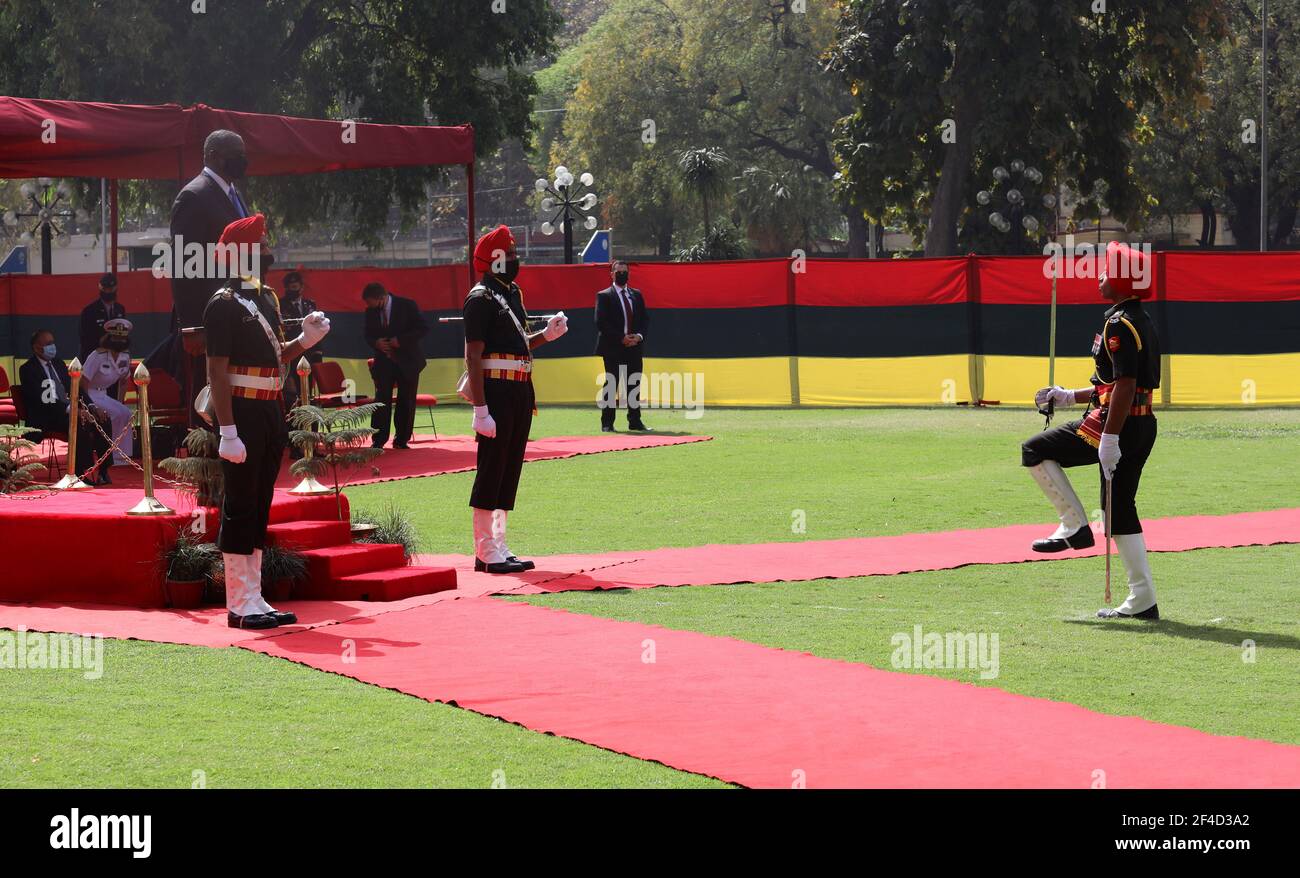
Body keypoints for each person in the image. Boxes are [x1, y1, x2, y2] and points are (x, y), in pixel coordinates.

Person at [1021, 241, 1161, 620]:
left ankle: (1074, 526)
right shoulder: (1135, 317)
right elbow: (1112, 383)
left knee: (1034, 450)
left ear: (1121, 279)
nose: (1099, 276)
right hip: (1135, 421)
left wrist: (1111, 439)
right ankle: (1142, 599)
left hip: (1121, 423)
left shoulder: (1119, 323)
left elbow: (1127, 385)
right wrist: (1067, 396)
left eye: (1106, 270)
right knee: (1118, 510)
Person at [204, 214, 331, 629]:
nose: (266, 252)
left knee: (259, 506)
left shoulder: (268, 300)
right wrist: (227, 430)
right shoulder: (222, 304)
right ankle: (239, 603)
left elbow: (277, 357)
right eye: (259, 245)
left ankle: (255, 598)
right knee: (239, 506)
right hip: (239, 411)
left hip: (269, 408)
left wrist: (304, 342)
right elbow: (217, 372)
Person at [463, 224, 568, 573]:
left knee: (509, 470)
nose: (513, 259)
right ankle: (483, 549)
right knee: (492, 467)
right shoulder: (480, 299)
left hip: (520, 388)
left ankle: (499, 543)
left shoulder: (512, 295)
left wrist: (546, 336)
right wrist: (480, 409)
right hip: (495, 390)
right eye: (507, 255)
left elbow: (519, 344)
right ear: (491, 260)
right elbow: (473, 355)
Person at [153, 129, 251, 423]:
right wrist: (192, 327)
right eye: (235, 155)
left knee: (234, 394)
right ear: (212, 156)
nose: (241, 161)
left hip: (237, 309)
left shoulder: (234, 194)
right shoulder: (195, 195)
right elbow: (183, 261)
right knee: (207, 400)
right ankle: (206, 463)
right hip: (207, 319)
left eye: (243, 155)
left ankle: (232, 456)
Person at [18, 329, 112, 482]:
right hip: (47, 415)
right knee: (79, 423)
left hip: (68, 411)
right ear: (36, 348)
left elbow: (76, 389)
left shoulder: (59, 364)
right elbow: (43, 400)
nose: (52, 347)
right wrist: (72, 410)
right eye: (48, 344)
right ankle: (80, 473)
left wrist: (92, 407)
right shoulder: (28, 369)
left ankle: (103, 470)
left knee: (103, 420)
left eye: (53, 342)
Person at [363, 282, 427, 449]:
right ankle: (378, 440)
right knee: (381, 401)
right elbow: (367, 334)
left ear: (382, 298)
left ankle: (401, 439)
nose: (370, 307)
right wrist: (376, 343)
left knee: (406, 399)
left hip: (408, 360)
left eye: (372, 302)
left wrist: (401, 340)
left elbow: (423, 328)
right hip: (384, 362)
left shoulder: (407, 305)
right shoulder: (371, 311)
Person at [594, 259, 650, 432]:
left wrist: (638, 337)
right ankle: (607, 423)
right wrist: (621, 338)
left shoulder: (636, 295)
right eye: (618, 271)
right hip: (613, 347)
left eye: (625, 271)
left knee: (634, 383)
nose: (622, 274)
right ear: (611, 274)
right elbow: (601, 322)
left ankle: (635, 421)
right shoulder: (604, 296)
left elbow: (645, 320)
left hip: (634, 346)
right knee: (612, 383)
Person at [81, 318, 135, 466]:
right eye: (116, 337)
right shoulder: (97, 355)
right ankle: (113, 455)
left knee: (125, 412)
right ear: (109, 338)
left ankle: (124, 455)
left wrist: (120, 402)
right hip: (90, 393)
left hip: (103, 394)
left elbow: (124, 381)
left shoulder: (125, 356)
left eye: (122, 338)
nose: (120, 341)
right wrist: (88, 404)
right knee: (117, 413)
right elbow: (83, 381)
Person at [278, 271, 322, 411]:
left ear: (302, 287)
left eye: (296, 286)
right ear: (286, 288)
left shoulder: (310, 304)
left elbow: (317, 328)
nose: (294, 289)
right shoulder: (280, 305)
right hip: (291, 352)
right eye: (291, 287)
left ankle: (310, 425)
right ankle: (294, 426)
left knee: (308, 393)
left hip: (310, 353)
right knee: (292, 393)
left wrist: (318, 353)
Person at [79, 273, 127, 363]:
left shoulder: (120, 309)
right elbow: (85, 339)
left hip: (114, 357)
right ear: (101, 288)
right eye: (105, 289)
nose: (108, 292)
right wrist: (105, 340)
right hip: (94, 358)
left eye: (111, 289)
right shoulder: (89, 311)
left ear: (116, 288)